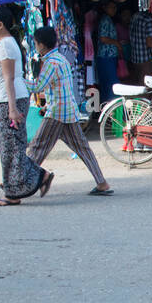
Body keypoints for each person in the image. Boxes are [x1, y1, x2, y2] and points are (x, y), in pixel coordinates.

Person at [27, 26, 113, 196]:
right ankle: (101, 183)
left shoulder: (50, 63)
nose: (35, 46)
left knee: (37, 148)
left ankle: (18, 182)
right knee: (82, 149)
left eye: (36, 43)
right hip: (68, 111)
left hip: (56, 113)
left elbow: (37, 86)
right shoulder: (62, 59)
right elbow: (63, 88)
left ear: (42, 45)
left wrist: (16, 80)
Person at [0, 5, 45, 207]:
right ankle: (33, 179)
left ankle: (14, 192)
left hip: (10, 100)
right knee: (6, 146)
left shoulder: (6, 45)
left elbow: (8, 78)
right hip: (6, 99)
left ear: (0, 24)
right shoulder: (2, 45)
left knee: (10, 147)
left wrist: (12, 109)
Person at [95, 0, 122, 103]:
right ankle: (111, 107)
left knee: (108, 83)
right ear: (105, 8)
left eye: (115, 7)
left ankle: (109, 107)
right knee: (111, 83)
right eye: (111, 7)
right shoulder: (105, 20)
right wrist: (117, 43)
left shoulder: (108, 19)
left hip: (108, 56)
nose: (114, 10)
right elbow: (103, 38)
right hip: (106, 56)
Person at [129, 7, 152, 83]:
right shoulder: (148, 20)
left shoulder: (134, 17)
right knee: (146, 85)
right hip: (145, 58)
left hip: (135, 57)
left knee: (138, 83)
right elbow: (150, 43)